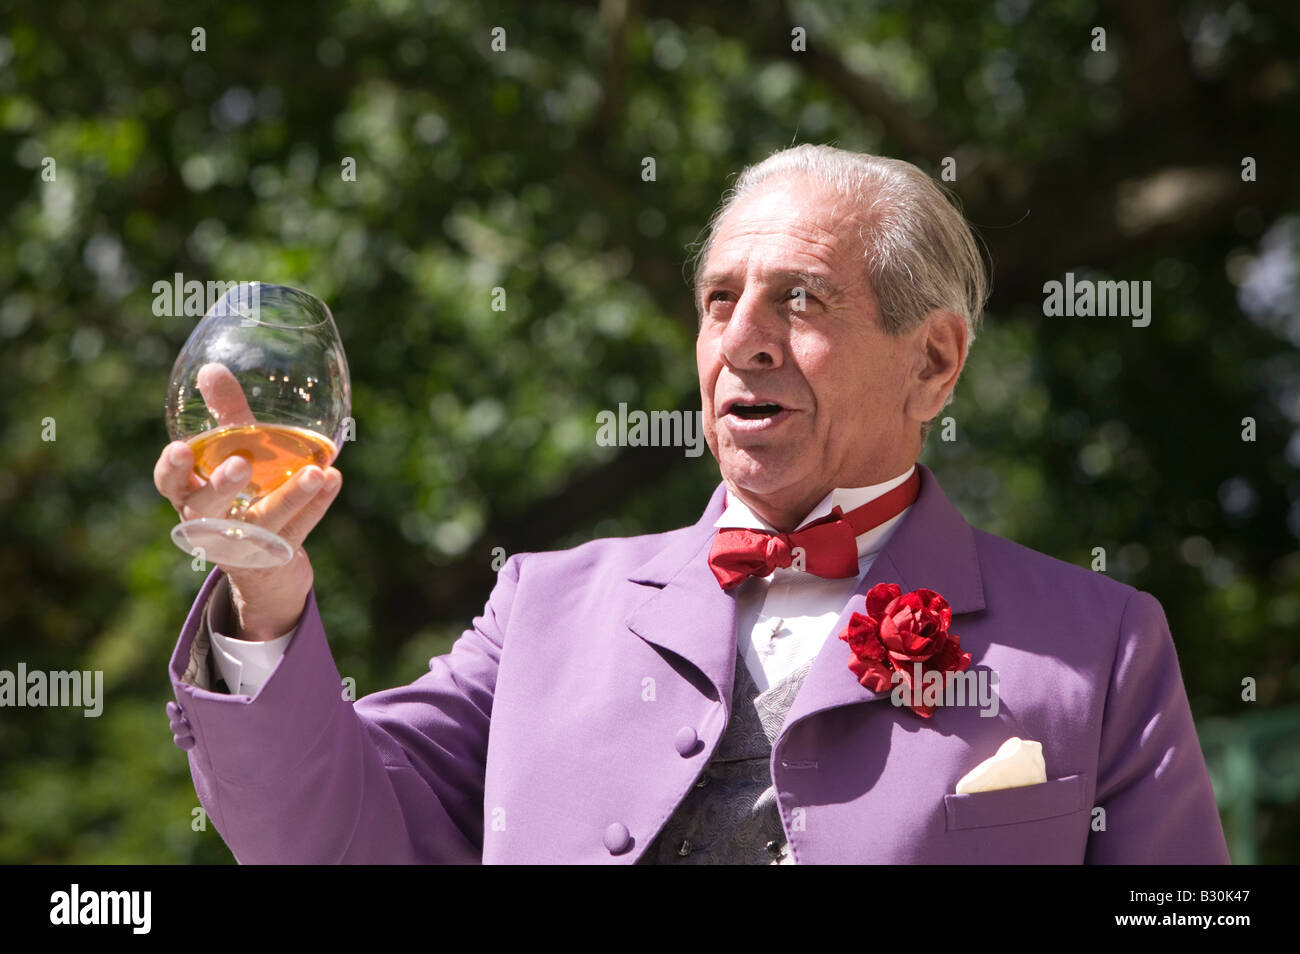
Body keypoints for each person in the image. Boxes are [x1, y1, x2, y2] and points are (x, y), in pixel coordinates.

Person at [155, 144, 1230, 864]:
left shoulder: (1104, 645)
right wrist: (266, 597)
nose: (743, 339)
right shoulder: (539, 608)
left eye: (800, 298)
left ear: (933, 362)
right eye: (720, 299)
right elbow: (320, 838)